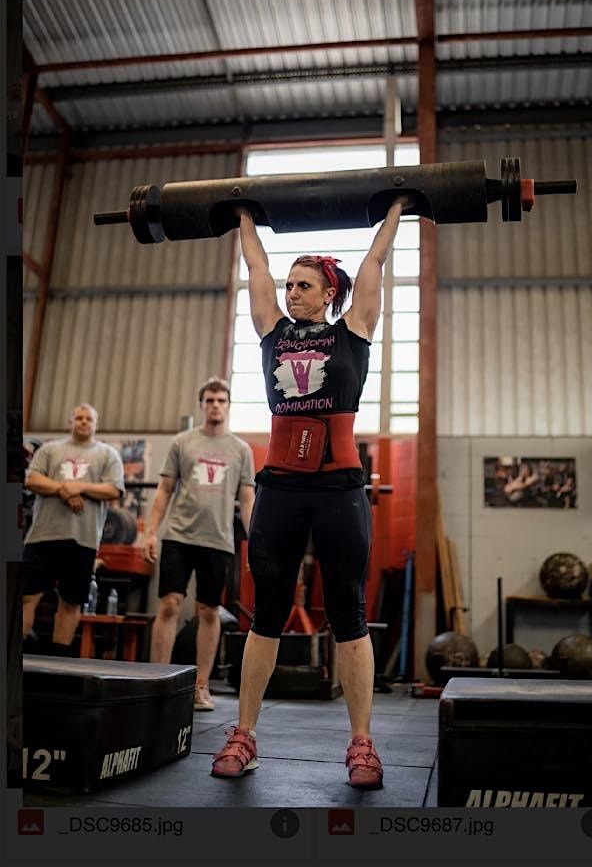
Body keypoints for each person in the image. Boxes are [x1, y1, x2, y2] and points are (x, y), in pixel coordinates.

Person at [211, 196, 411, 789]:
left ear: (328, 292)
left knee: (348, 613)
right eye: (290, 284)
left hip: (340, 488)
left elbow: (375, 264)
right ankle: (245, 734)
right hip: (280, 487)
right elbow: (255, 271)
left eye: (303, 285)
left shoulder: (354, 333)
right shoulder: (272, 334)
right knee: (266, 614)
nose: (291, 292)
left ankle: (361, 743)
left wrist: (397, 208)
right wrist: (245, 217)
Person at [144, 378, 255, 711]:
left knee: (208, 611)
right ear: (202, 404)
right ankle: (158, 681)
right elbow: (164, 491)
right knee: (169, 605)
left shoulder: (241, 450)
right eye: (210, 400)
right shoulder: (183, 443)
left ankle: (200, 687)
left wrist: (255, 544)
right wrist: (151, 531)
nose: (215, 405)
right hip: (178, 535)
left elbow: (247, 499)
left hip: (218, 540)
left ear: (228, 404)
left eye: (221, 400)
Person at [22, 404, 125, 656]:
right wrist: (64, 490)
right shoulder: (50, 449)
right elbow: (32, 480)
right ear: (71, 422)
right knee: (26, 596)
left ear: (95, 424)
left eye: (88, 418)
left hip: (83, 540)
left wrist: (78, 487)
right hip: (42, 536)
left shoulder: (107, 454)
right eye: (78, 418)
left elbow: (113, 490)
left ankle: (58, 661)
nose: (83, 422)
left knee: (70, 601)